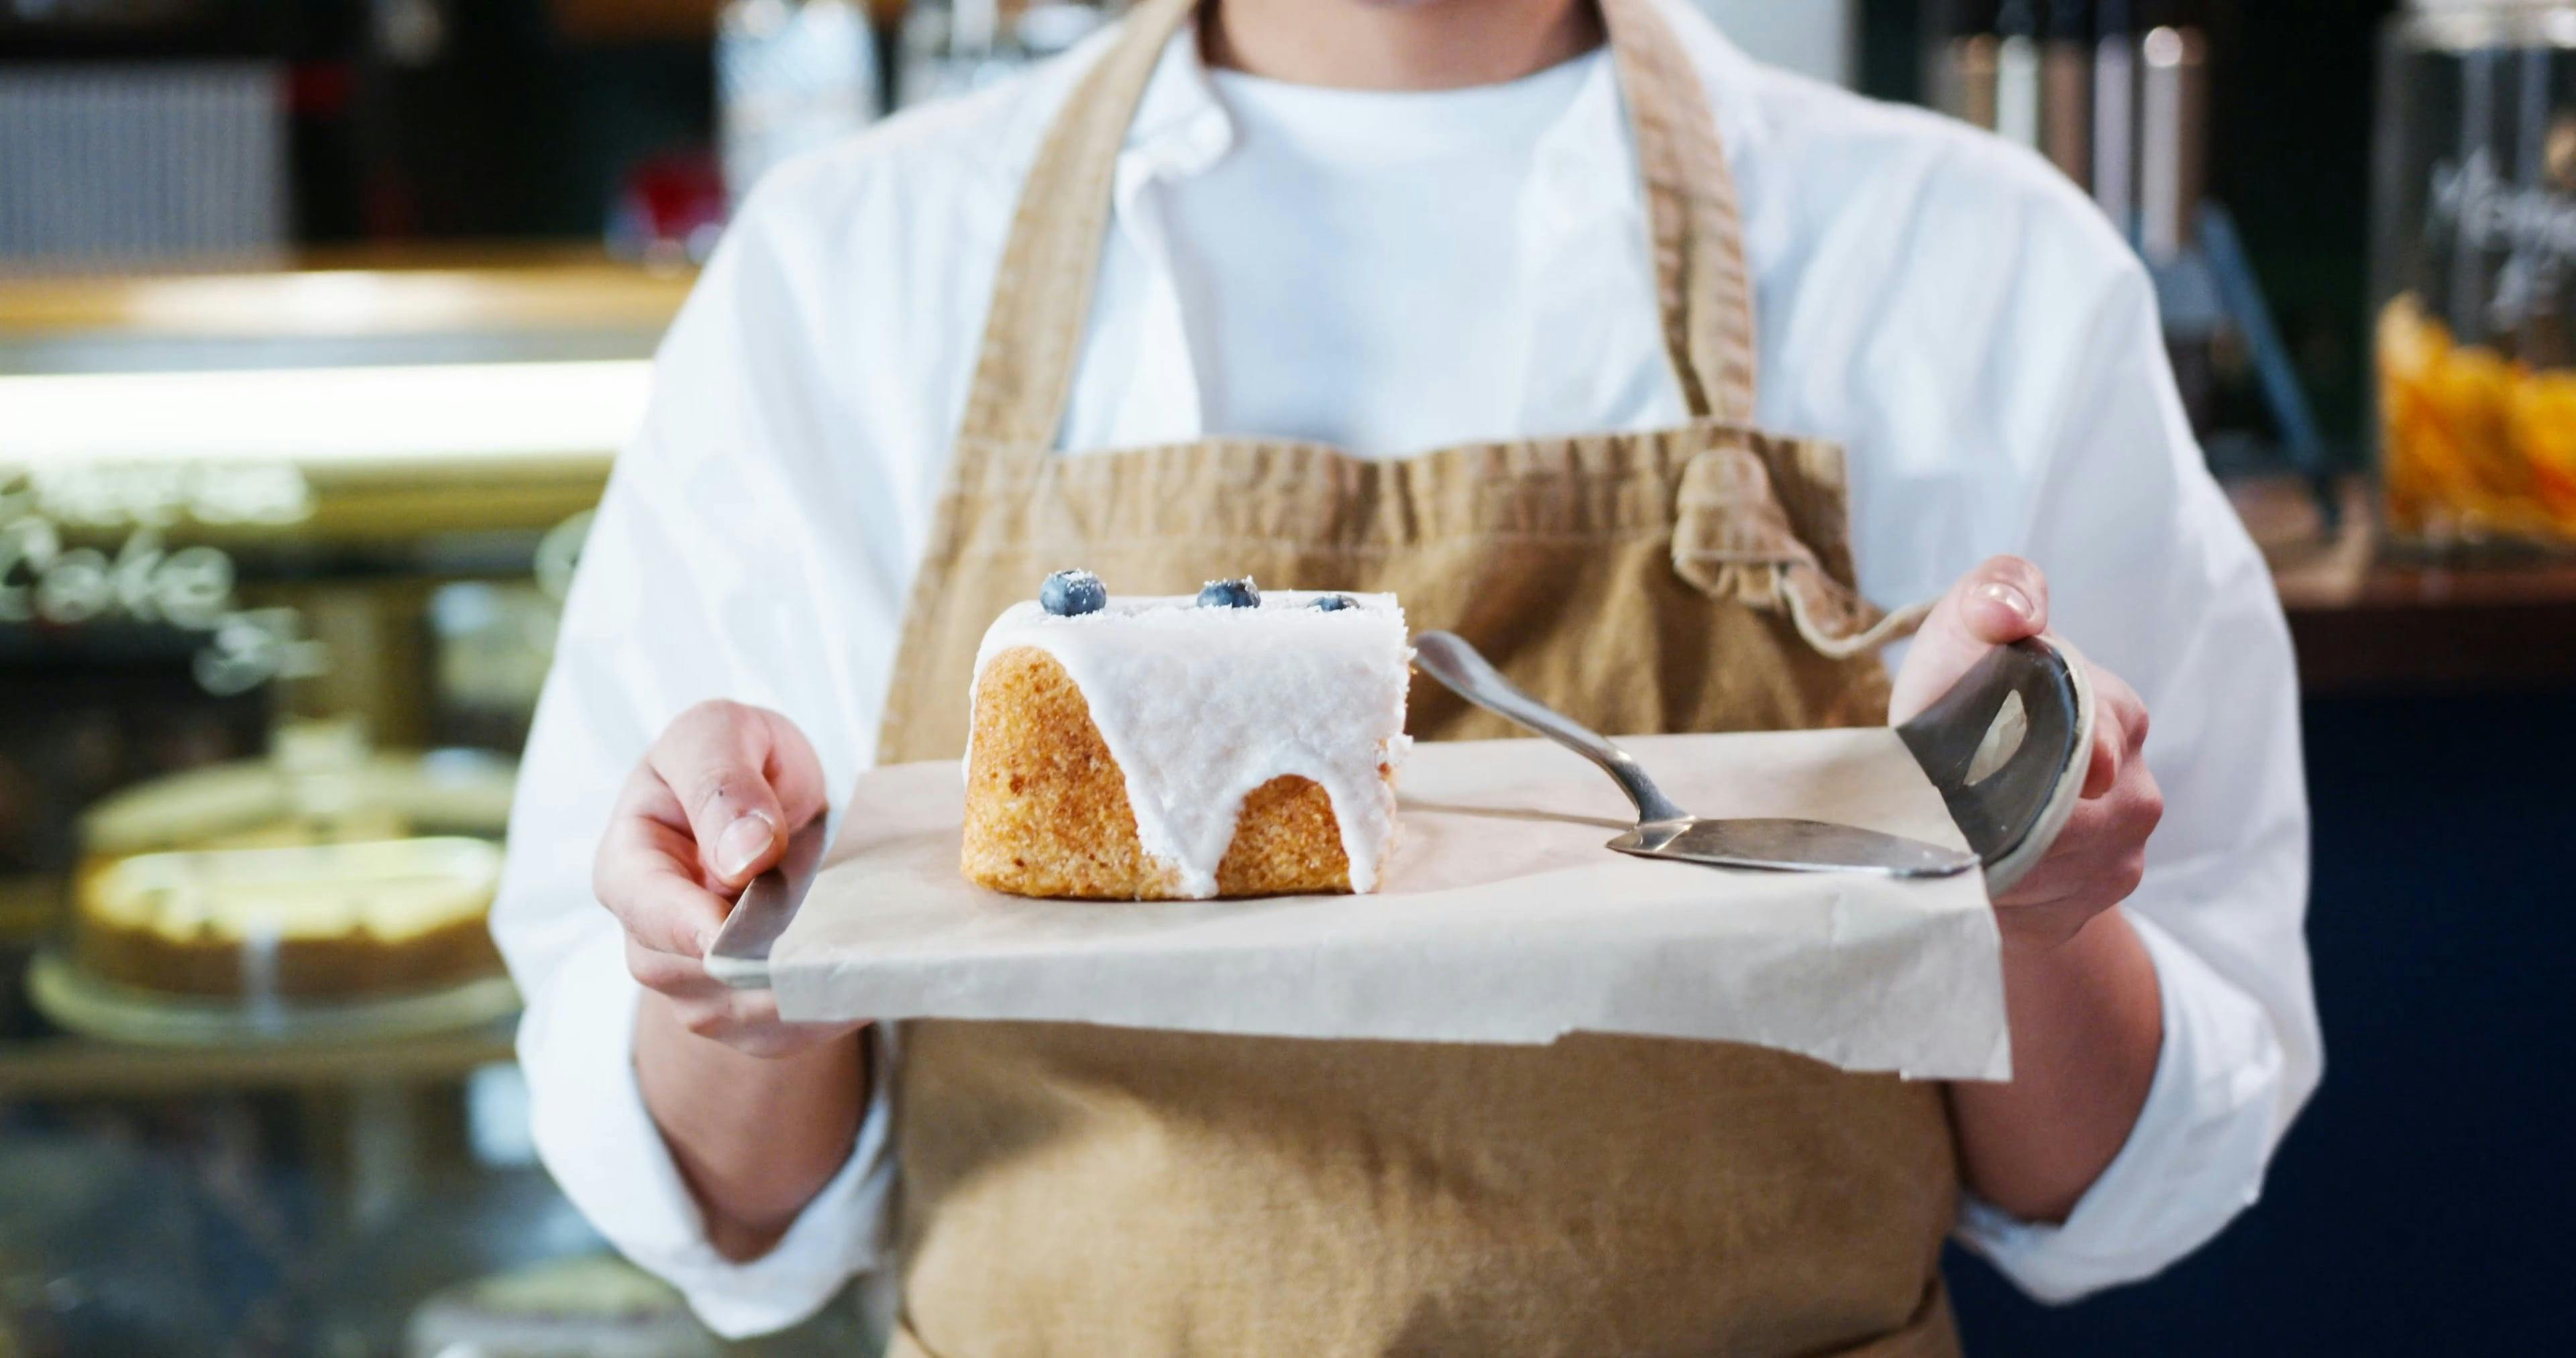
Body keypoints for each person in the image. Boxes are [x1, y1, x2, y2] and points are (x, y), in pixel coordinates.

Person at [491, 0, 2319, 1351]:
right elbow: (728, 1209)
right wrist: (740, 950)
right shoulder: (852, 282)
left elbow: (2109, 1190)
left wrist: (2019, 881)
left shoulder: (1974, 268)